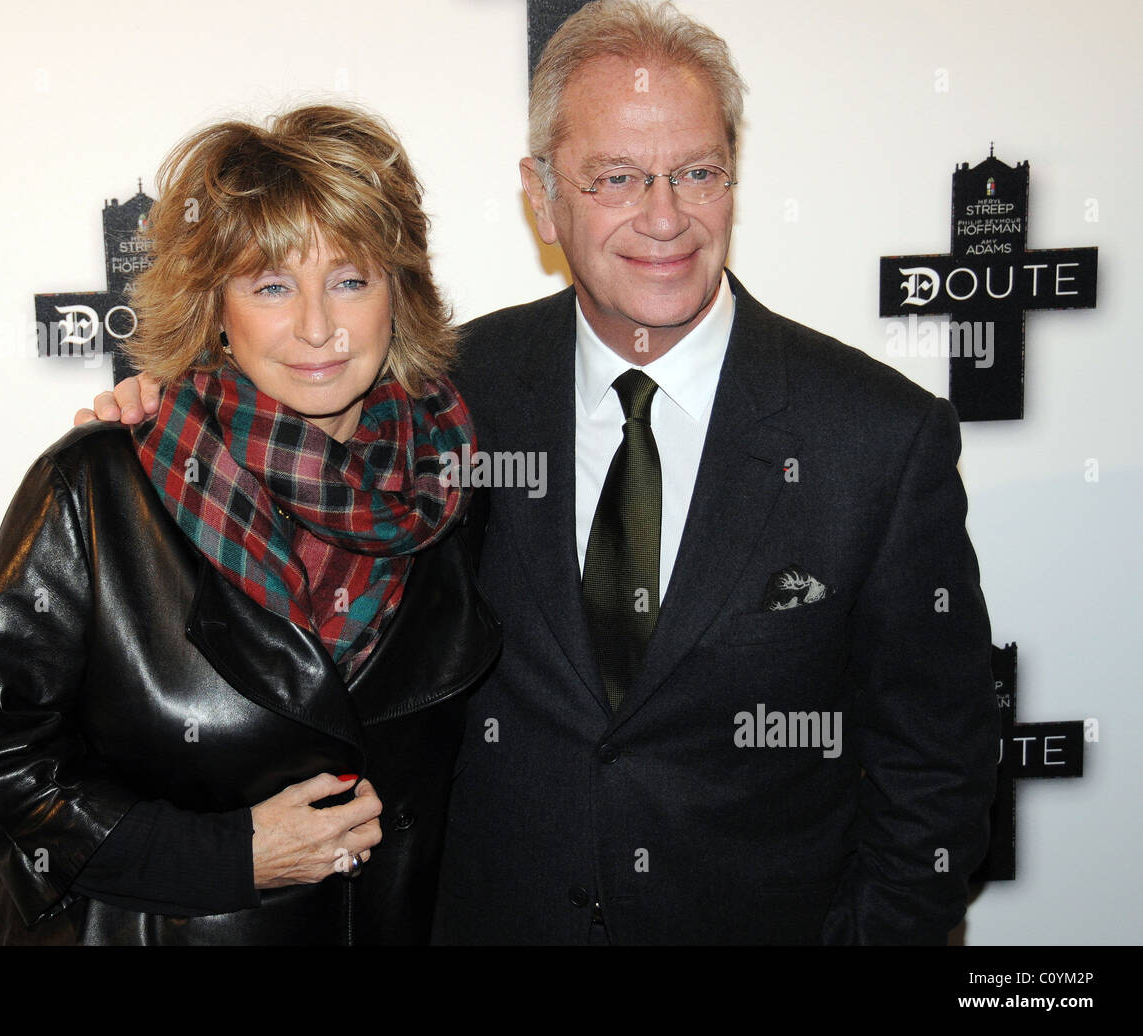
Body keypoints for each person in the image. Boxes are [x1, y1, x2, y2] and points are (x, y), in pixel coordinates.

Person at [82, 0, 997, 944]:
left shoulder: (876, 439)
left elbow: (937, 771)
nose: (665, 217)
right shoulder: (443, 397)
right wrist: (166, 406)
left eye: (698, 172)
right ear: (541, 193)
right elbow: (282, 424)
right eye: (615, 177)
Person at [0, 104, 500, 945]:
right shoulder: (103, 485)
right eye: (271, 285)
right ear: (216, 311)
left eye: (350, 279)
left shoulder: (454, 487)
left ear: (399, 295)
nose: (317, 326)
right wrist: (222, 855)